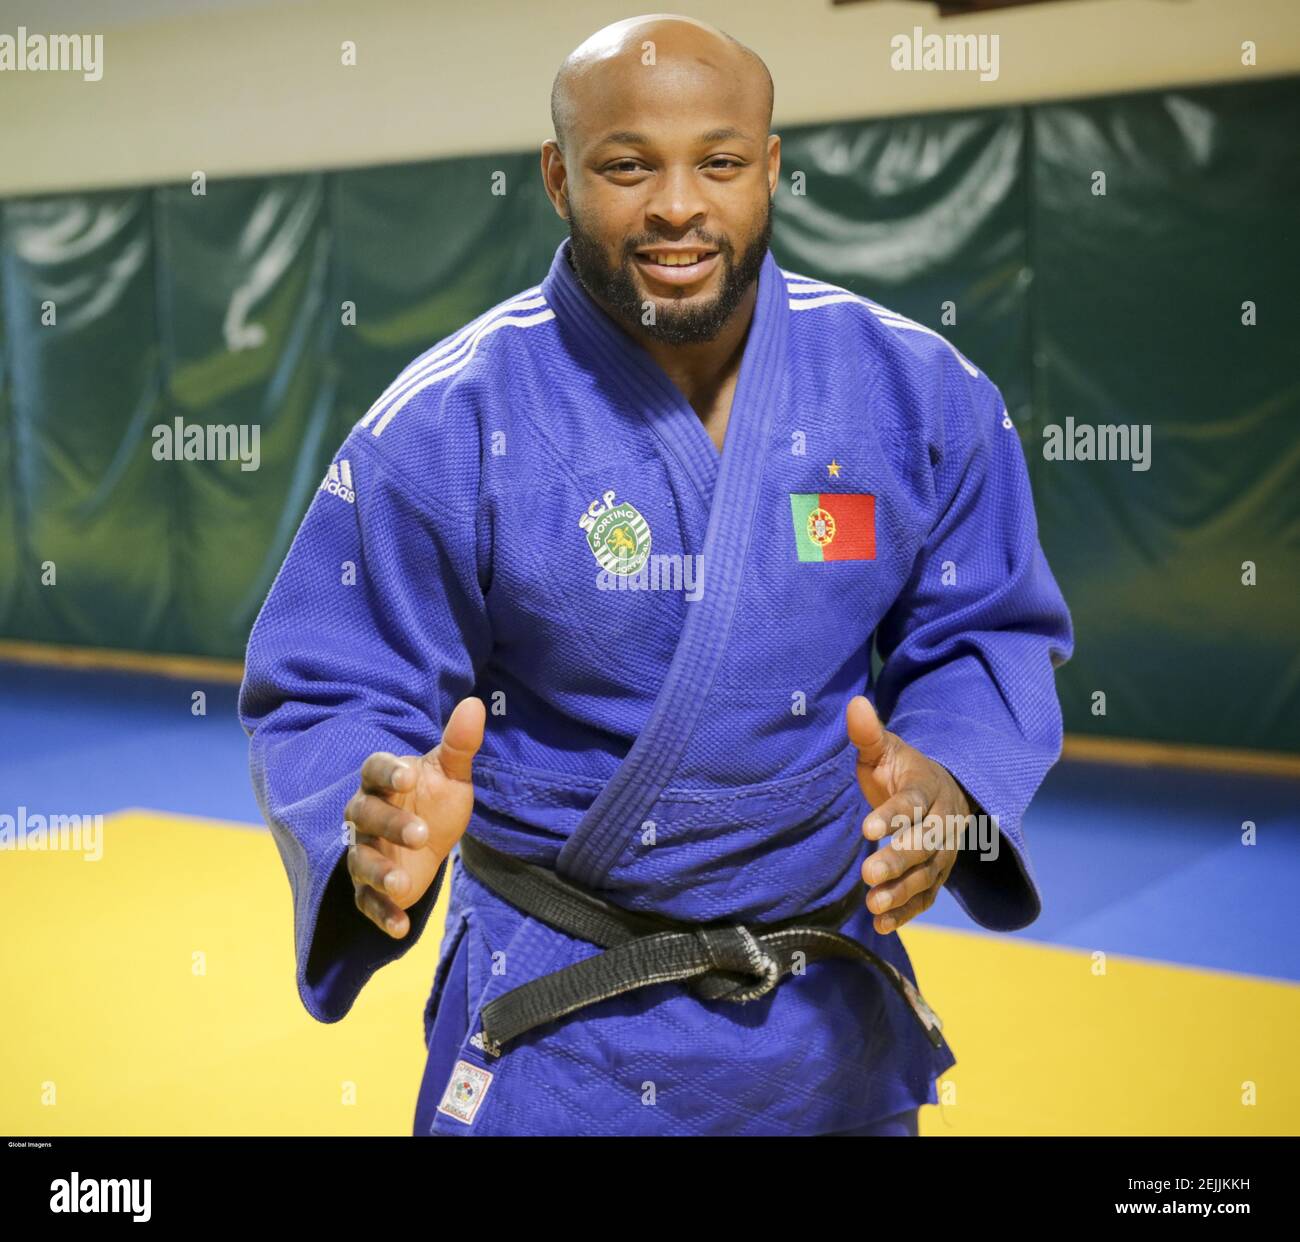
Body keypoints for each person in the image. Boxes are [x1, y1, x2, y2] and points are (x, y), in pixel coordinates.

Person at [239, 13, 1073, 1137]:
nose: (677, 203)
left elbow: (990, 631)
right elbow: (327, 682)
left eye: (720, 162)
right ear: (558, 176)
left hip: (821, 1024)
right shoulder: (449, 422)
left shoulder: (915, 395)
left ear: (771, 167)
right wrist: (373, 817)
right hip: (561, 1032)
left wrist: (953, 787)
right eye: (627, 164)